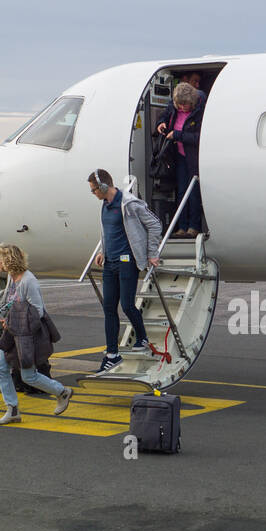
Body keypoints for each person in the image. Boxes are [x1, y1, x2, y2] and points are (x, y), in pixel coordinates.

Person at [87, 168, 161, 372]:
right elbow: (108, 230)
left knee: (127, 305)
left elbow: (155, 225)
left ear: (103, 187)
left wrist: (152, 253)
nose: (93, 194)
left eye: (94, 190)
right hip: (110, 263)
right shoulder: (104, 205)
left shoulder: (129, 204)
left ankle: (143, 338)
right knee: (109, 308)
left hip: (127, 261)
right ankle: (112, 354)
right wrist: (103, 250)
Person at [0, 243, 72, 425]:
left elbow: (38, 311)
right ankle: (12, 409)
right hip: (11, 331)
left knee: (29, 376)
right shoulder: (12, 277)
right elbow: (12, 301)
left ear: (7, 260)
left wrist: (12, 319)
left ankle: (62, 392)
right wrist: (2, 314)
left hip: (26, 335)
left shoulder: (29, 281)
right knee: (0, 369)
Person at [154, 82, 206, 238]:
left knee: (194, 191)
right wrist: (161, 123)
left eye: (185, 105)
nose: (182, 108)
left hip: (194, 156)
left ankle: (194, 226)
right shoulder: (174, 105)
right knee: (181, 190)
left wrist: (178, 135)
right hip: (179, 156)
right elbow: (164, 116)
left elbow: (200, 137)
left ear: (193, 102)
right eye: (179, 105)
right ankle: (182, 226)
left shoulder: (200, 110)